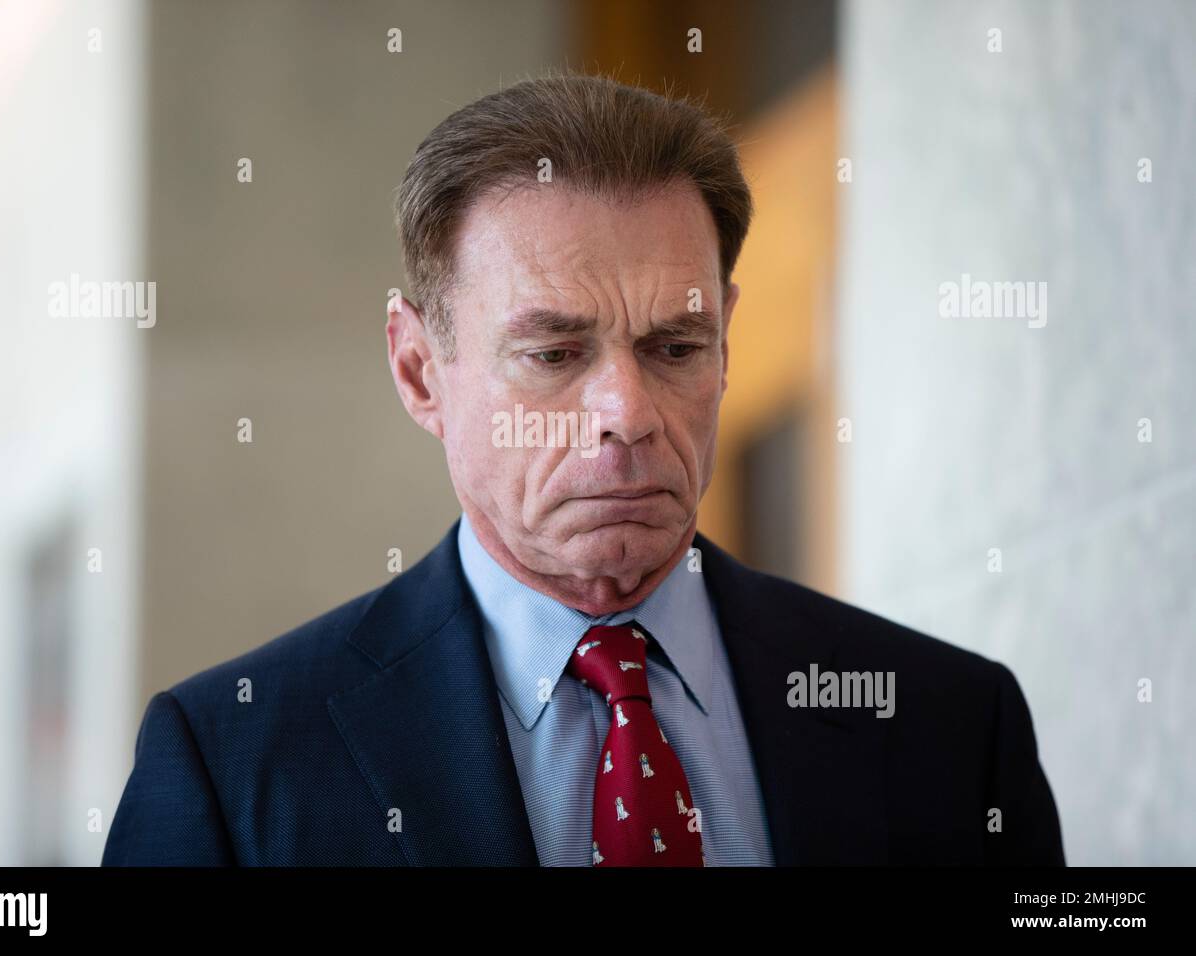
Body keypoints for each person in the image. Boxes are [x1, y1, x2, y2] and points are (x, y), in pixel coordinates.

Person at [102, 72, 1065, 867]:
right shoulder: (233, 764)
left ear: (727, 344)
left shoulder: (948, 725)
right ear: (418, 369)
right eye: (555, 355)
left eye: (677, 347)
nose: (628, 415)